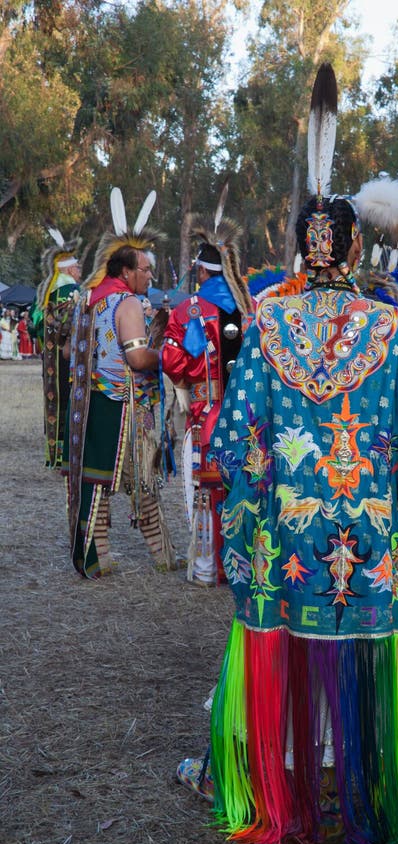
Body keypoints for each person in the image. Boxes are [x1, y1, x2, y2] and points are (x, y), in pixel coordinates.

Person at [176, 64, 398, 844]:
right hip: (363, 536)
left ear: (304, 246)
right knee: (354, 634)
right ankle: (349, 772)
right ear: (353, 246)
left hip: (286, 539)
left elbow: (230, 439)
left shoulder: (267, 327)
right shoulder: (388, 329)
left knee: (285, 628)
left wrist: (240, 496)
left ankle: (282, 767)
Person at [63, 188, 176, 579]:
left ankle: (97, 557)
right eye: (145, 269)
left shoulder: (88, 300)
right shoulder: (126, 303)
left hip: (89, 406)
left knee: (95, 480)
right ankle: (163, 555)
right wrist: (167, 354)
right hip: (124, 407)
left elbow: (68, 352)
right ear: (126, 271)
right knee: (142, 479)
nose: (150, 275)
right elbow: (138, 358)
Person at [162, 210, 253, 586]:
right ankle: (243, 566)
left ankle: (207, 567)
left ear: (201, 271)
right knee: (242, 487)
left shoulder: (189, 311)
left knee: (208, 488)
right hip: (246, 416)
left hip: (206, 415)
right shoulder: (249, 309)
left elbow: (172, 361)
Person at [34, 230, 82, 468]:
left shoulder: (47, 291)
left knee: (54, 402)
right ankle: (66, 456)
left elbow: (35, 325)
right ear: (69, 269)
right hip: (67, 356)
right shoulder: (72, 291)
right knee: (69, 400)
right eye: (78, 267)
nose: (80, 271)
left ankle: (53, 454)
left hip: (50, 358)